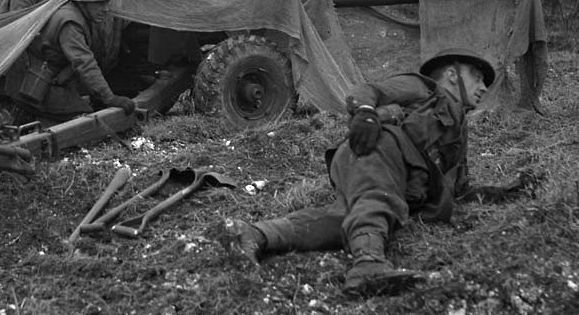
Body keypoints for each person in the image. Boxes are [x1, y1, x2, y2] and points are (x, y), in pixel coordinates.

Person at [212, 48, 535, 295]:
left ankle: (255, 234)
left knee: (345, 219)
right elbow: (367, 91)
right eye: (476, 76)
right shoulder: (423, 89)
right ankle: (367, 266)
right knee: (376, 202)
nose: (484, 87)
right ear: (452, 75)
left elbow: (458, 187)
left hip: (389, 178)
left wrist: (499, 192)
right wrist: (366, 114)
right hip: (374, 149)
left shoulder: (458, 130)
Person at [3, 0, 135, 122]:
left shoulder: (77, 13)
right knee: (83, 118)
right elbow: (84, 63)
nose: (106, 9)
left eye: (106, 2)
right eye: (99, 3)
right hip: (31, 85)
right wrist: (109, 97)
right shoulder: (70, 22)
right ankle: (27, 114)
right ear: (83, 3)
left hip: (49, 77)